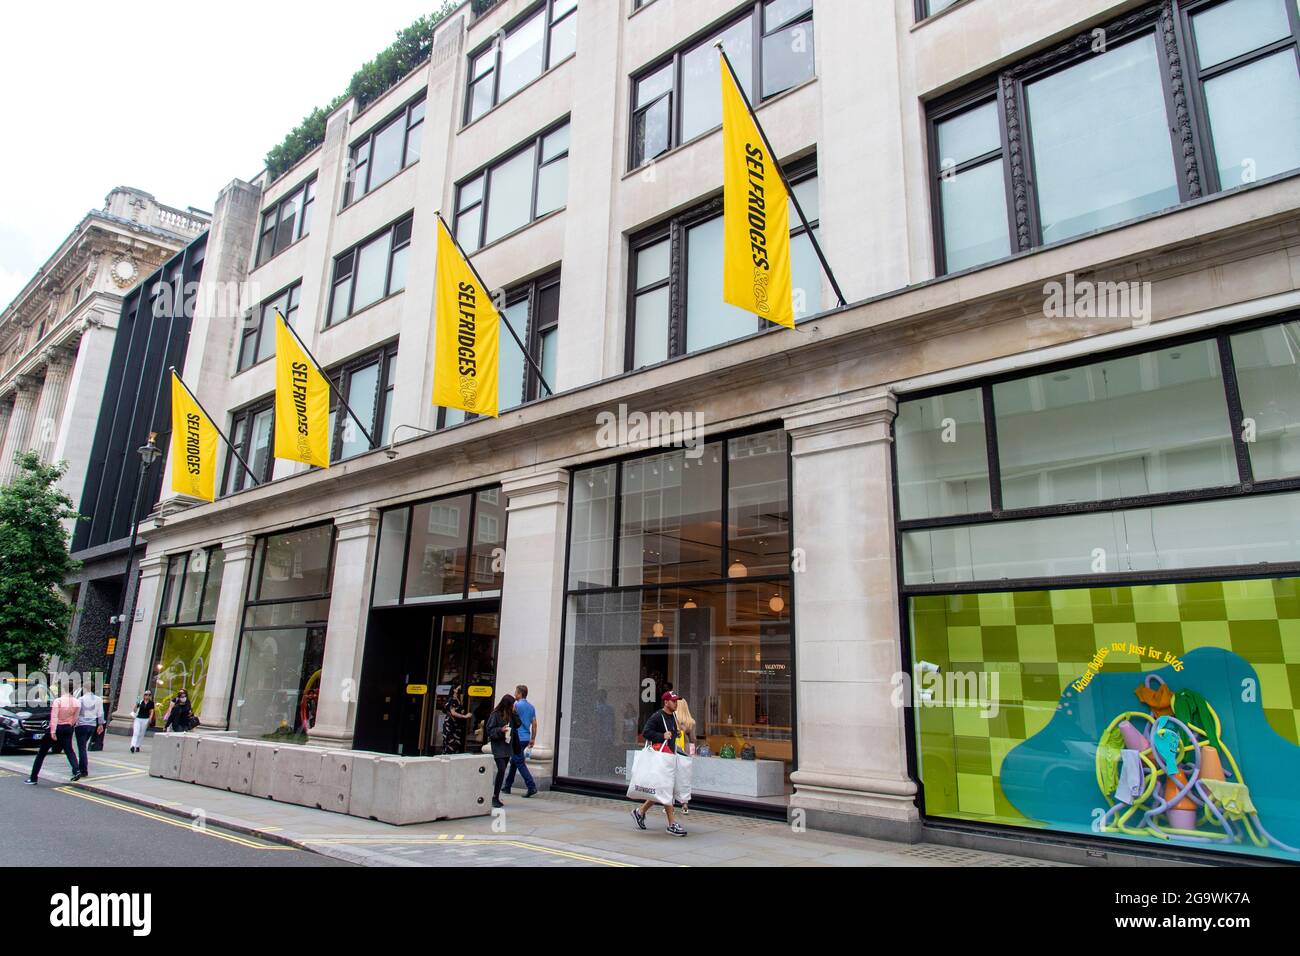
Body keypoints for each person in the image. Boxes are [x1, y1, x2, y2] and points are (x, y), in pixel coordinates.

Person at [631, 691, 687, 836]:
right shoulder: (657, 716)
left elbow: (671, 735)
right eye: (673, 701)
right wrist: (662, 736)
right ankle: (671, 823)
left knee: (662, 790)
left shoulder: (673, 716)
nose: (676, 704)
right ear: (666, 702)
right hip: (661, 759)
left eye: (676, 701)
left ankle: (640, 811)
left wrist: (677, 733)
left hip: (670, 757)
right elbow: (646, 733)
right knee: (666, 789)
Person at [25, 685, 81, 784]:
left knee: (41, 753)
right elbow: (75, 718)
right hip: (68, 728)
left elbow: (54, 717)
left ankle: (33, 778)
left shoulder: (58, 701)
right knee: (69, 750)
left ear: (63, 689)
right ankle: (76, 770)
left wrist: (53, 731)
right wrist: (69, 725)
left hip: (56, 727)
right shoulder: (77, 702)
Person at [502, 684, 538, 798]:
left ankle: (531, 786)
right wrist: (533, 738)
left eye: (516, 692)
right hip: (526, 738)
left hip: (517, 738)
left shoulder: (516, 705)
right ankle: (507, 786)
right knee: (515, 761)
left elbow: (509, 718)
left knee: (519, 762)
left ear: (520, 693)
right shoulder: (531, 707)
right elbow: (534, 725)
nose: (514, 694)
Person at [485, 694, 516, 809]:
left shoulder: (510, 714)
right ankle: (494, 796)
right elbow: (489, 730)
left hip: (507, 745)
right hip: (498, 745)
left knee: (502, 771)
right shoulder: (495, 714)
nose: (512, 706)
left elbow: (518, 724)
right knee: (501, 769)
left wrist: (515, 713)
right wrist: (500, 730)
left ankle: (496, 796)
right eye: (511, 705)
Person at [672, 697, 698, 815]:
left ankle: (669, 804)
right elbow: (693, 739)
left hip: (674, 750)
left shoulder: (673, 718)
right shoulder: (691, 721)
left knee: (671, 777)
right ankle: (685, 805)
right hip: (685, 752)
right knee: (684, 779)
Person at [74, 686, 106, 778]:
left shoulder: (81, 699)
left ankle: (83, 770)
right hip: (92, 726)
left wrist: (74, 722)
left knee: (82, 748)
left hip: (81, 725)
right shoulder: (99, 699)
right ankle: (82, 768)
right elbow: (101, 713)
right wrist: (100, 724)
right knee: (83, 746)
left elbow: (77, 712)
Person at [441, 684, 470, 754]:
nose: (460, 689)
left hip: (455, 725)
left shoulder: (457, 699)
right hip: (451, 725)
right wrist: (465, 716)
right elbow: (453, 713)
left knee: (455, 744)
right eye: (458, 688)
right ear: (454, 690)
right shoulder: (452, 700)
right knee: (451, 744)